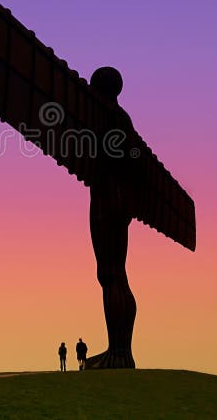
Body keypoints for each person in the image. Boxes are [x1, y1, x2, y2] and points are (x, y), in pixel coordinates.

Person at [85, 67, 137, 369]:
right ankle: (119, 350)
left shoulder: (104, 116)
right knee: (116, 274)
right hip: (120, 199)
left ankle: (119, 353)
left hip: (108, 198)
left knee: (110, 274)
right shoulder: (124, 120)